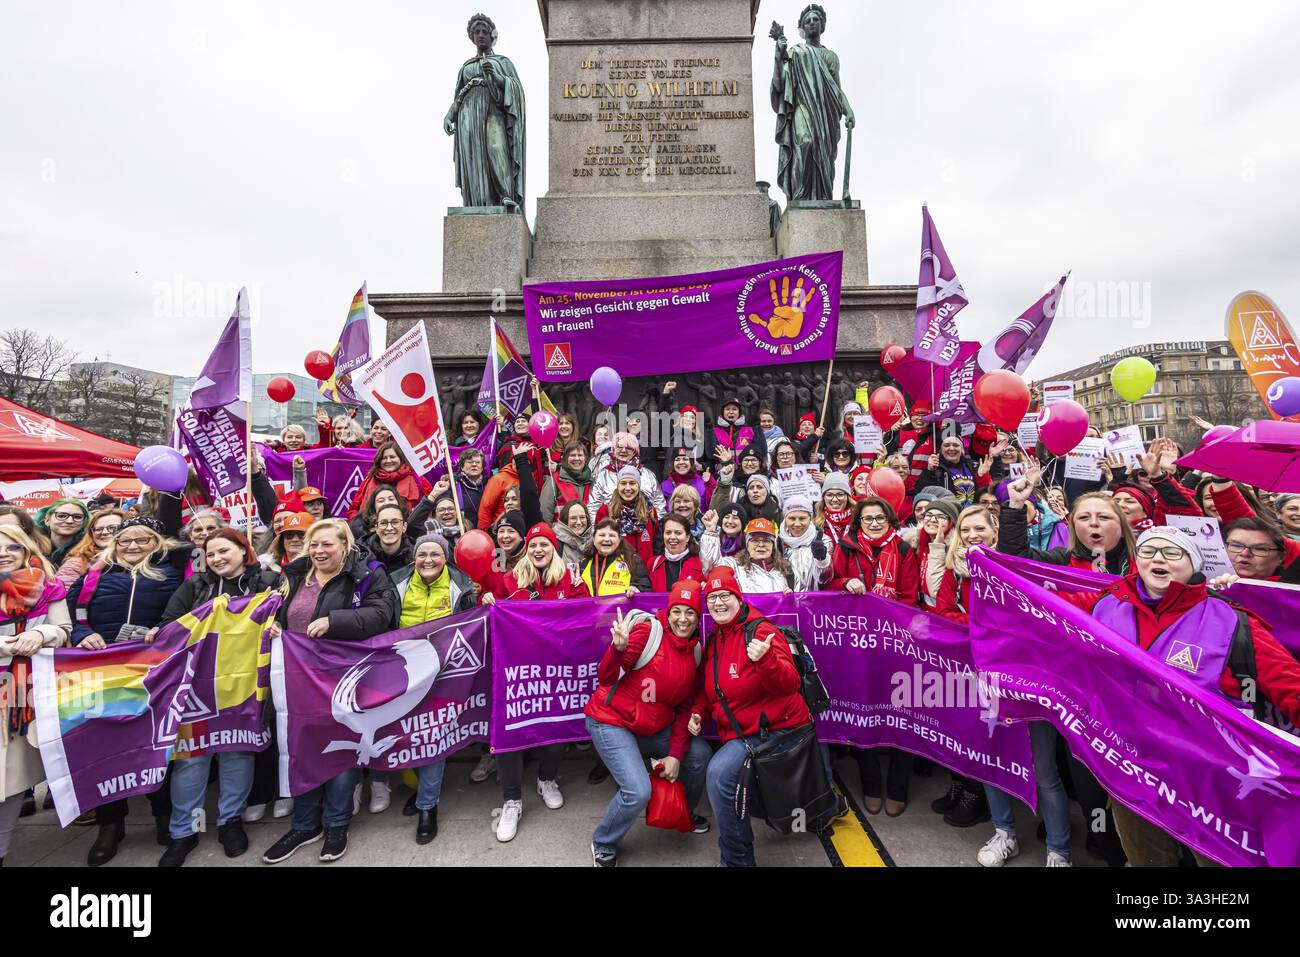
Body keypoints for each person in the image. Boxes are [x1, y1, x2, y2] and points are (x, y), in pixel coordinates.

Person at [1057, 526, 1300, 866]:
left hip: (1212, 786)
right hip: (1130, 770)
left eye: (1172, 553)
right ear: (1136, 561)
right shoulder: (1106, 603)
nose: (1158, 558)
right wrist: (983, 565)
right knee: (1147, 860)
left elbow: (1293, 690)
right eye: (1148, 551)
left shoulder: (1234, 622)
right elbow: (1034, 606)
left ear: (1192, 564)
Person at [262, 519, 396, 865]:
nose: (319, 551)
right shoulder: (292, 574)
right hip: (297, 677)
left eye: (327, 545)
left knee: (339, 749)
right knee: (302, 747)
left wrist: (336, 621)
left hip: (342, 676)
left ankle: (337, 823)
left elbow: (383, 614)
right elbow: (276, 610)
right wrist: (273, 621)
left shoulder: (366, 573)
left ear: (345, 546)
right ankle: (305, 824)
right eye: (314, 545)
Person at [66, 513, 188, 866]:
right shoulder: (93, 575)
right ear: (114, 545)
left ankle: (163, 815)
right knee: (104, 749)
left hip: (153, 672)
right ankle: (110, 824)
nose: (133, 546)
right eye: (125, 541)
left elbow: (189, 612)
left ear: (158, 542)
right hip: (100, 671)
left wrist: (164, 630)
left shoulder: (175, 572)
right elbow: (69, 614)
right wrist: (80, 634)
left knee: (155, 745)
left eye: (142, 540)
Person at [155, 529, 282, 866]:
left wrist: (275, 628)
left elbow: (282, 620)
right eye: (210, 554)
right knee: (190, 761)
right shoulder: (195, 586)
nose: (216, 559)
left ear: (244, 551)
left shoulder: (268, 583)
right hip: (197, 690)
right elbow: (170, 626)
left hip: (244, 688)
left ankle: (230, 822)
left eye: (224, 551)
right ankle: (185, 831)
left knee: (237, 754)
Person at [689, 568, 820, 866]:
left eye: (725, 596)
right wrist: (698, 712)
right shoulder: (716, 639)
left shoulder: (761, 631)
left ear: (738, 597)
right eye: (712, 598)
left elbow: (790, 684)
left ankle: (737, 859)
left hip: (779, 729)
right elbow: (713, 687)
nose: (718, 603)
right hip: (745, 731)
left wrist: (766, 660)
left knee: (719, 774)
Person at [585, 583, 714, 866]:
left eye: (690, 613)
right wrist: (617, 651)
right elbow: (606, 678)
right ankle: (603, 841)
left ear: (698, 617)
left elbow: (684, 710)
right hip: (612, 721)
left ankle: (682, 812)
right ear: (668, 612)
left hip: (652, 726)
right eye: (677, 611)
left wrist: (675, 755)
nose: (683, 619)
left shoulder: (695, 652)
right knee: (637, 790)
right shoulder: (648, 632)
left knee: (699, 755)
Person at [480, 523, 589, 841]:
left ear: (553, 548)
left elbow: (586, 616)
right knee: (509, 730)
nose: (538, 549)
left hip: (555, 671)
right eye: (533, 545)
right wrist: (487, 602)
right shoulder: (510, 580)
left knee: (554, 727)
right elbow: (492, 618)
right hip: (517, 672)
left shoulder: (570, 579)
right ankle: (511, 800)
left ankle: (547, 779)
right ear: (527, 549)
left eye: (544, 544)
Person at [390, 532, 476, 844]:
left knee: (430, 734)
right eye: (422, 553)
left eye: (435, 554)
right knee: (407, 733)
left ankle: (428, 805)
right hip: (402, 673)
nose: (428, 560)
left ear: (445, 557)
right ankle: (422, 789)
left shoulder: (461, 584)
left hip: (444, 674)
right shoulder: (396, 583)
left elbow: (470, 624)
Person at [0, 526, 71, 867]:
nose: (3, 553)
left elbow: (63, 629)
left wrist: (42, 632)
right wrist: (8, 645)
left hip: (21, 699)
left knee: (12, 780)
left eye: (11, 547)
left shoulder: (49, 585)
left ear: (26, 549)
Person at [1001, 473, 1135, 574]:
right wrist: (1015, 506)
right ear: (1074, 528)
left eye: (1104, 517)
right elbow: (1015, 558)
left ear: (1122, 528)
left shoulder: (1144, 560)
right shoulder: (1063, 560)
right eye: (1083, 518)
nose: (1093, 523)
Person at [829, 498, 919, 602]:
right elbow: (830, 585)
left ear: (889, 519)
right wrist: (846, 582)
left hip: (890, 615)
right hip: (855, 614)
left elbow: (909, 595)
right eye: (868, 518)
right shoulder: (846, 546)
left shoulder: (903, 549)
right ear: (859, 521)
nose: (875, 524)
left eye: (880, 518)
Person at [587, 432, 667, 523]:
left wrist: (657, 531)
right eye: (619, 447)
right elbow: (593, 508)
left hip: (644, 531)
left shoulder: (648, 475)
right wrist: (597, 533)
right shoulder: (602, 475)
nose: (623, 451)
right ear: (613, 449)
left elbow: (659, 506)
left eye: (629, 448)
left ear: (635, 451)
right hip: (611, 531)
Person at [594, 466, 660, 567]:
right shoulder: (606, 511)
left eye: (632, 483)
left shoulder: (650, 511)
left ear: (639, 485)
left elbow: (656, 544)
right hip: (617, 574)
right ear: (618, 486)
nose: (628, 488)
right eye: (623, 483)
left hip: (646, 574)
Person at [348, 442, 432, 519]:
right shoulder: (369, 479)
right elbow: (353, 509)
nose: (388, 461)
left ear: (400, 458)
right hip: (371, 529)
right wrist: (360, 526)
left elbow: (431, 503)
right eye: (384, 458)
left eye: (392, 457)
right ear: (379, 461)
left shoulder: (417, 478)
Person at [713, 518, 792, 593]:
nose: (761, 544)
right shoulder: (734, 565)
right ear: (747, 545)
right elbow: (713, 565)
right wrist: (710, 533)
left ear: (773, 546)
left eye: (766, 540)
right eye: (755, 540)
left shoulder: (785, 569)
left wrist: (789, 599)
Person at [55, 507, 127, 586]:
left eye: (113, 528)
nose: (104, 532)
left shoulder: (137, 558)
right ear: (91, 533)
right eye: (98, 529)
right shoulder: (78, 562)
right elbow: (60, 593)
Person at [915, 434, 991, 508]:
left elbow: (982, 496)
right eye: (946, 445)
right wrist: (929, 471)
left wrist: (982, 476)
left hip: (969, 516)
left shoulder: (971, 466)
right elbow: (921, 492)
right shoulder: (935, 467)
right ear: (941, 450)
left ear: (962, 449)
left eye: (956, 445)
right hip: (946, 515)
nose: (951, 448)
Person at [581, 519, 652, 596]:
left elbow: (645, 590)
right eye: (602, 535)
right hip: (590, 608)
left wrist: (637, 590)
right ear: (594, 539)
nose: (607, 539)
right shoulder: (584, 563)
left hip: (622, 608)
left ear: (619, 540)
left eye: (612, 535)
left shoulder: (632, 560)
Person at [779, 497, 830, 591]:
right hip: (787, 601)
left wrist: (821, 560)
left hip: (816, 602)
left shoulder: (823, 540)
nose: (797, 524)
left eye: (802, 518)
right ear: (785, 518)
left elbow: (825, 579)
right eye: (792, 518)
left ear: (810, 518)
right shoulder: (778, 542)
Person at [646, 514, 704, 591]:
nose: (672, 537)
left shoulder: (700, 563)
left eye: (678, 533)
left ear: (688, 537)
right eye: (668, 532)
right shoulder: (653, 563)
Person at [540, 442, 594, 523]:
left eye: (580, 455)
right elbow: (545, 509)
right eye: (572, 455)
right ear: (566, 459)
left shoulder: (592, 481)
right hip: (559, 533)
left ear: (585, 458)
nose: (576, 458)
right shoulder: (555, 479)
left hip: (585, 532)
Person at [35, 497, 90, 567]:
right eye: (61, 516)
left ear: (83, 522)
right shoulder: (31, 547)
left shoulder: (90, 551)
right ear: (47, 520)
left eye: (77, 517)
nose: (69, 521)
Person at [698, 503, 749, 570]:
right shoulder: (712, 539)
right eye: (727, 517)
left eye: (735, 518)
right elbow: (707, 567)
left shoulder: (749, 544)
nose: (730, 521)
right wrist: (710, 529)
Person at [555, 499, 592, 569]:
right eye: (573, 518)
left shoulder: (594, 542)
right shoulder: (555, 543)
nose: (578, 522)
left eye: (582, 517)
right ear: (565, 520)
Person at [817, 472, 854, 543]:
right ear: (823, 498)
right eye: (829, 495)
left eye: (840, 495)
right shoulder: (816, 524)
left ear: (847, 497)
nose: (834, 499)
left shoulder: (858, 521)